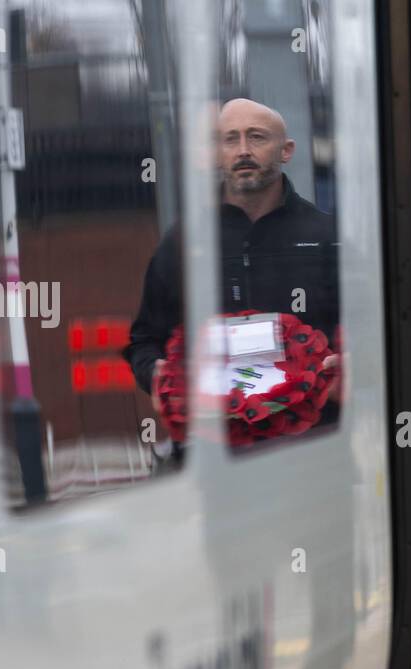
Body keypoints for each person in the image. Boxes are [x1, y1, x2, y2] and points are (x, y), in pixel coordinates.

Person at [123, 97, 341, 448]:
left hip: (315, 446)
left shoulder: (328, 238)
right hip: (217, 455)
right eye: (230, 139)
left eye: (256, 138)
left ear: (286, 150)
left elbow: (369, 332)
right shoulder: (185, 242)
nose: (242, 150)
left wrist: (347, 369)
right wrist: (155, 374)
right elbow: (144, 341)